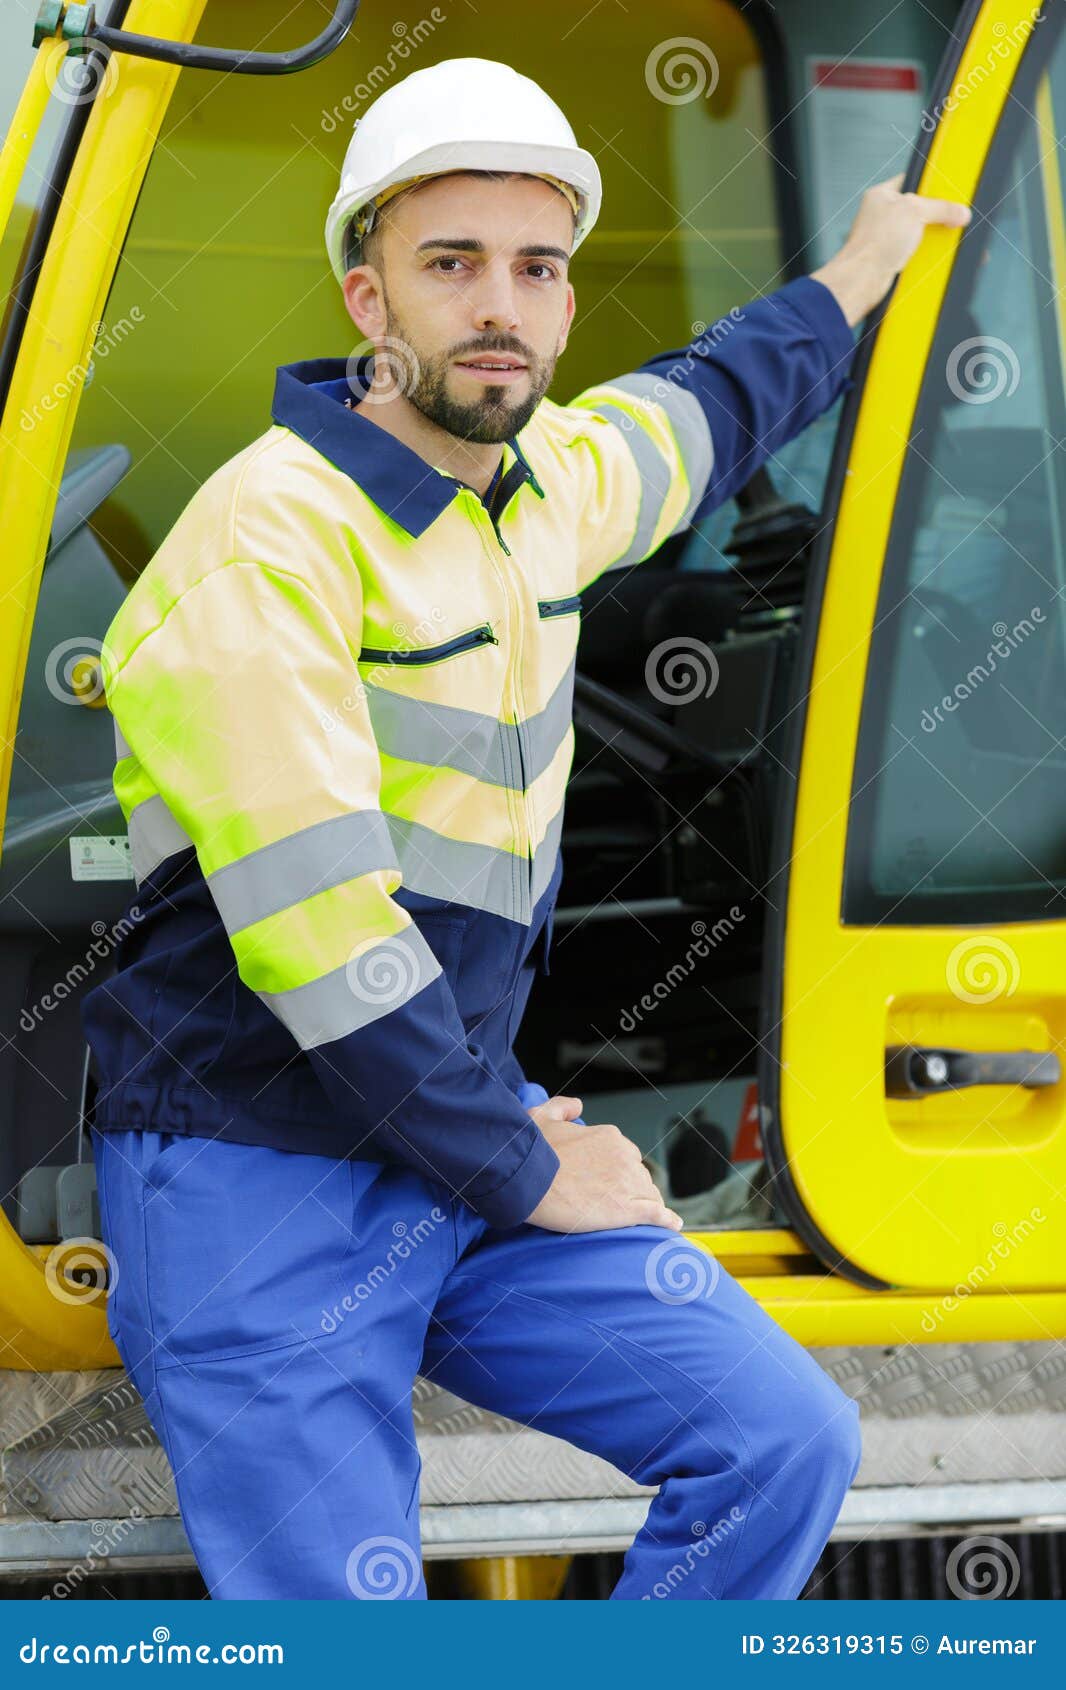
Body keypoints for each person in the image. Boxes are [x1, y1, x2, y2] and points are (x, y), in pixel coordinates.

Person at [81, 56, 971, 1600]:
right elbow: (324, 936)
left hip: (450, 1138)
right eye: (449, 264)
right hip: (258, 1167)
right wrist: (513, 1154)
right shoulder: (267, 542)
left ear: (563, 306)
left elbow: (716, 397)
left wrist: (858, 268)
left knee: (784, 1441)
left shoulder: (549, 483)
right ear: (367, 302)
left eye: (535, 268)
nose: (499, 304)